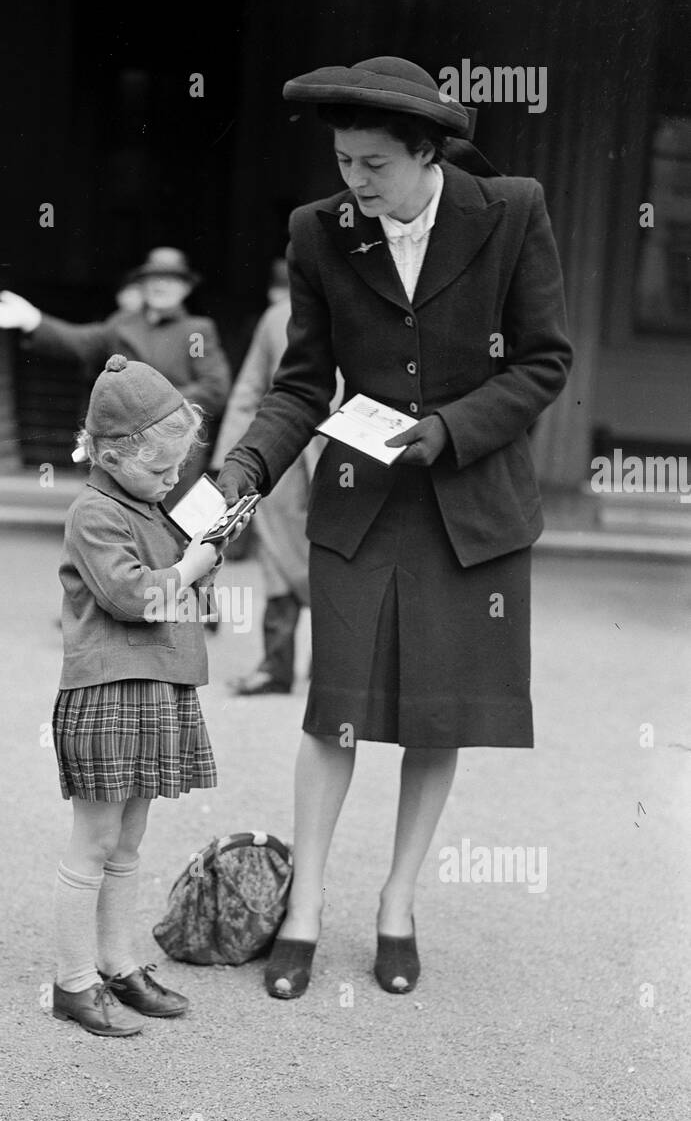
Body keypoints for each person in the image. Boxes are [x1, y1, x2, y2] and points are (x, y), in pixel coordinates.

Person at [216, 56, 572, 999]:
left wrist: (450, 430)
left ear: (428, 153)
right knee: (334, 708)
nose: (353, 183)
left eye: (372, 164)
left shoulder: (510, 211)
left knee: (435, 713)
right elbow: (301, 384)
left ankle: (397, 905)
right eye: (341, 161)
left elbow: (541, 362)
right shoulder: (319, 232)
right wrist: (241, 474)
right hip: (360, 505)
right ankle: (304, 908)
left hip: (471, 510)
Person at [48, 353, 247, 1037]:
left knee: (128, 840)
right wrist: (193, 562)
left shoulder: (148, 505)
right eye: (159, 470)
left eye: (175, 470)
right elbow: (135, 595)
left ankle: (118, 963)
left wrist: (205, 549)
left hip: (153, 685)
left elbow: (182, 590)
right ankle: (73, 980)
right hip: (107, 690)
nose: (169, 480)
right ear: (107, 453)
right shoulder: (93, 512)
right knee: (95, 840)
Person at [0, 245, 231, 506]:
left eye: (170, 280)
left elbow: (215, 388)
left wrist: (161, 409)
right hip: (126, 445)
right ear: (142, 285)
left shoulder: (196, 332)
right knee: (119, 517)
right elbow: (82, 341)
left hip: (172, 447)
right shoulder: (123, 325)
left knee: (171, 523)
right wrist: (34, 321)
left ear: (185, 288)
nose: (160, 286)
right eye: (153, 279)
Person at [212, 259, 338, 694]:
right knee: (276, 561)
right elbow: (249, 390)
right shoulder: (274, 320)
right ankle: (276, 666)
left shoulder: (355, 311)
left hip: (339, 458)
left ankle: (333, 670)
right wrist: (231, 457)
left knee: (337, 559)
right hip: (280, 457)